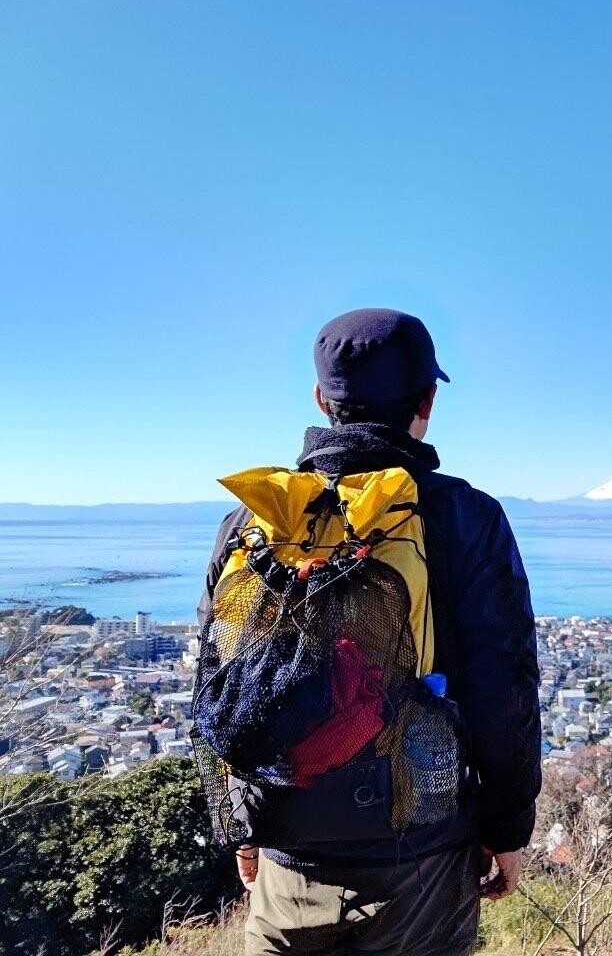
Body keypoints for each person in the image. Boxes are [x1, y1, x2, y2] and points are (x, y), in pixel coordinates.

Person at [197, 308, 542, 956]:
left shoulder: (253, 521)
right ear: (427, 402)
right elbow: (505, 689)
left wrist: (243, 828)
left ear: (322, 400)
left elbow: (217, 688)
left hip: (287, 851)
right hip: (421, 860)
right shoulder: (464, 517)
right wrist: (508, 827)